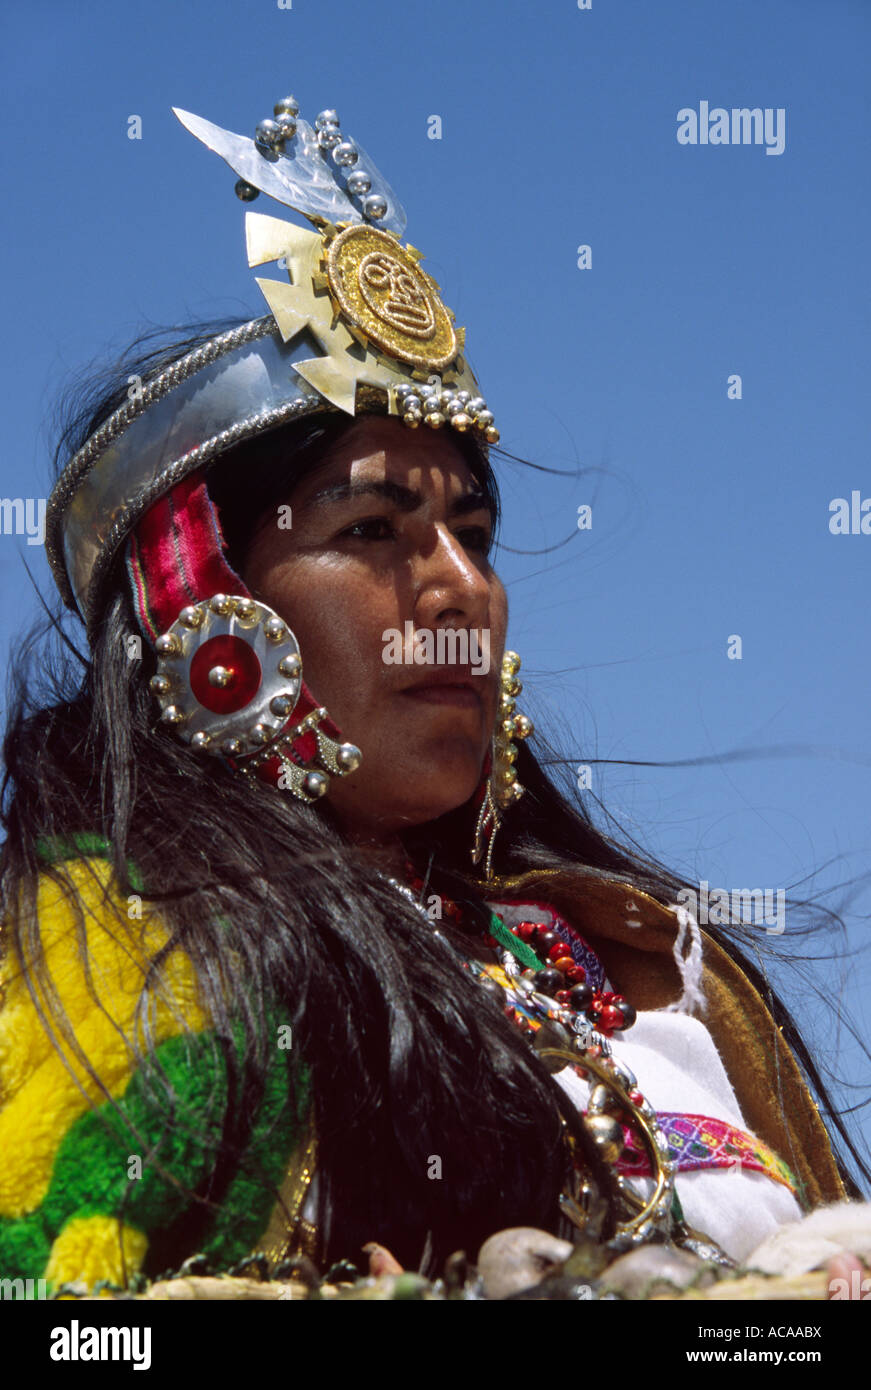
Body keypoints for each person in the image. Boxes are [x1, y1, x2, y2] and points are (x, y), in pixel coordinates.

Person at [0, 91, 867, 1296]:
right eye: (374, 530)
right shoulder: (121, 976)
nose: (463, 590)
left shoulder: (633, 963)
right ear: (208, 612)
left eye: (474, 531)